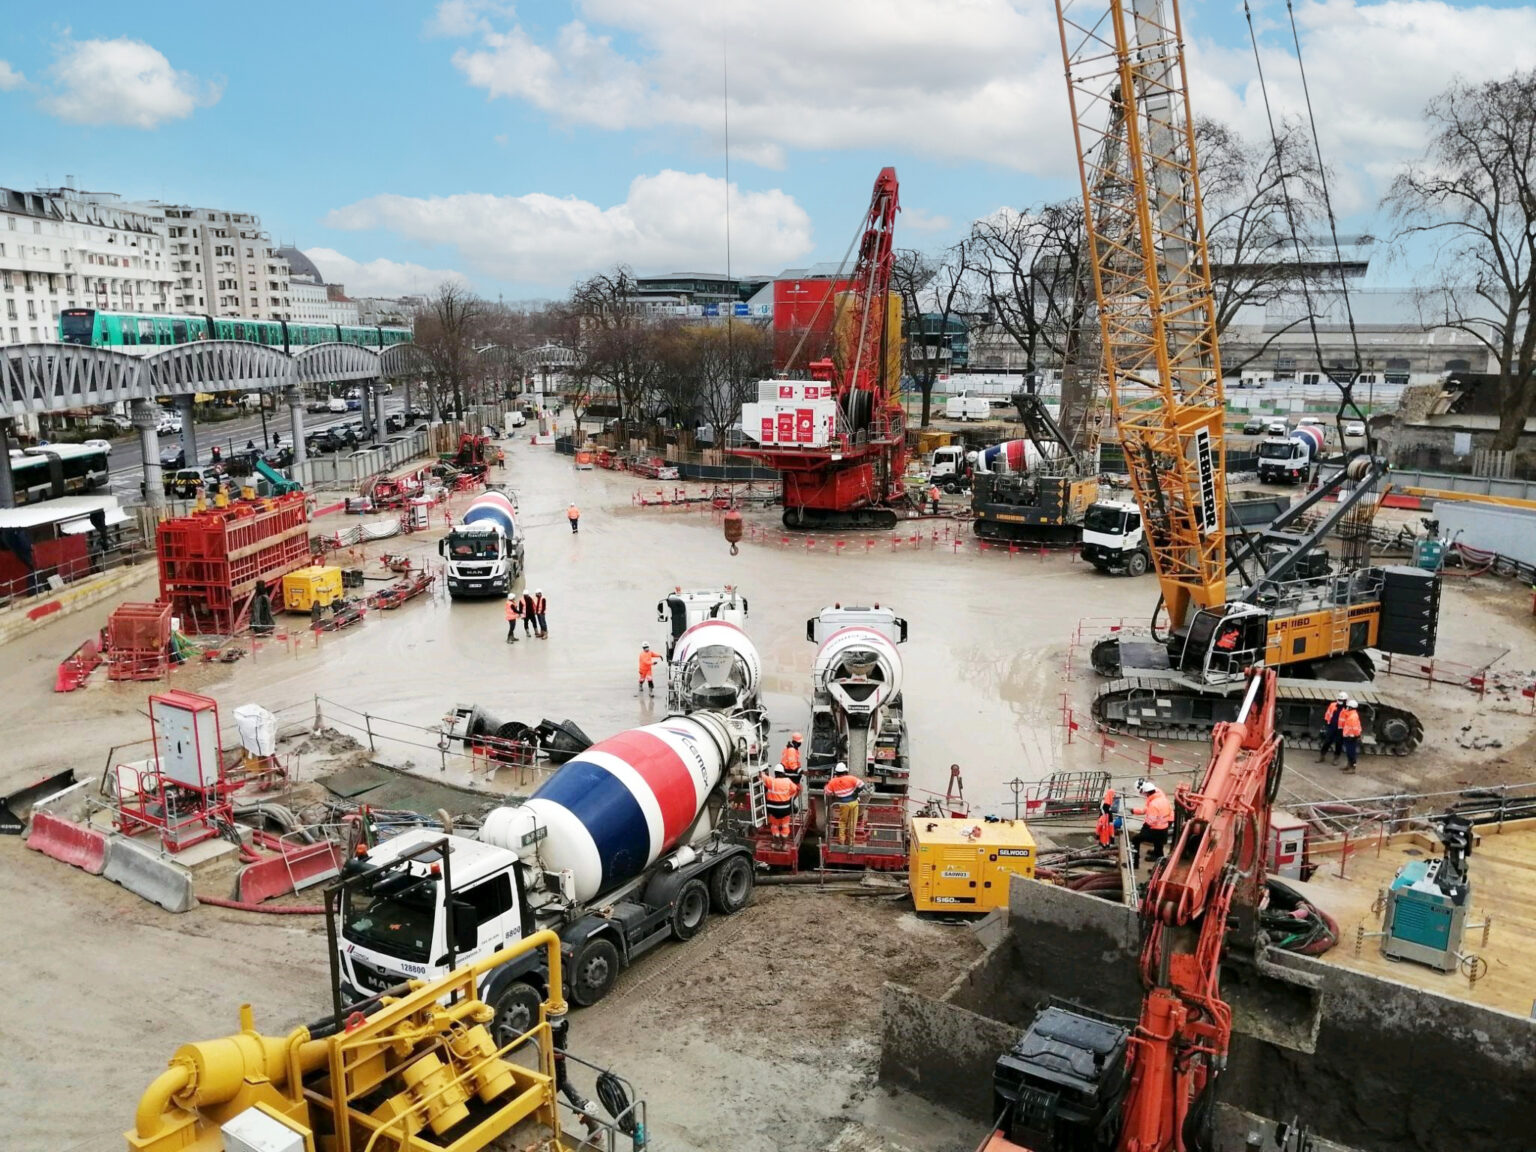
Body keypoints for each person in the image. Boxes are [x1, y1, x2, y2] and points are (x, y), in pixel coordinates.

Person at [1129, 778, 1173, 867]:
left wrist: (1144, 828)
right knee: (1158, 843)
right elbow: (1148, 809)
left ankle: (1135, 863)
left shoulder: (1154, 804)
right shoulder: (1158, 793)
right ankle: (1157, 854)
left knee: (1136, 839)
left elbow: (1150, 821)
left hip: (1157, 829)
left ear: (1145, 791)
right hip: (1165, 824)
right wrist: (1136, 811)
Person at [824, 762, 867, 846]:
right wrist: (855, 793)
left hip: (843, 804)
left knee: (843, 822)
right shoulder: (851, 778)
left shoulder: (833, 781)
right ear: (845, 771)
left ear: (836, 772)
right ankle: (851, 841)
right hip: (854, 803)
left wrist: (828, 786)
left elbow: (827, 792)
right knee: (852, 822)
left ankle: (842, 840)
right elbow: (862, 785)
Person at [761, 765, 799, 843]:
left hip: (773, 810)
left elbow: (762, 776)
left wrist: (762, 772)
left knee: (774, 826)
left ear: (775, 773)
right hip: (785, 810)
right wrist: (791, 799)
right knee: (785, 826)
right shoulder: (787, 781)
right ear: (783, 773)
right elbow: (796, 789)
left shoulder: (771, 781)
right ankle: (784, 845)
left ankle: (777, 844)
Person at [1317, 691, 1347, 763]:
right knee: (1327, 742)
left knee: (1338, 744)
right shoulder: (1332, 705)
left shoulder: (1347, 709)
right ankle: (1322, 756)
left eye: (1341, 700)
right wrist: (1326, 724)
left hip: (1341, 729)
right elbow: (1328, 714)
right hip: (1332, 727)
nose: (1340, 701)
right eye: (1339, 700)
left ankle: (1336, 759)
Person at [1338, 698, 1363, 773]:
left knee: (1351, 753)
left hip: (1351, 737)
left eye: (1347, 706)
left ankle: (1352, 768)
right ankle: (1349, 765)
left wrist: (1356, 736)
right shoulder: (1351, 715)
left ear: (1350, 707)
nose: (1346, 708)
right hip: (1348, 736)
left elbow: (1355, 729)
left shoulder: (1353, 717)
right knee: (1349, 752)